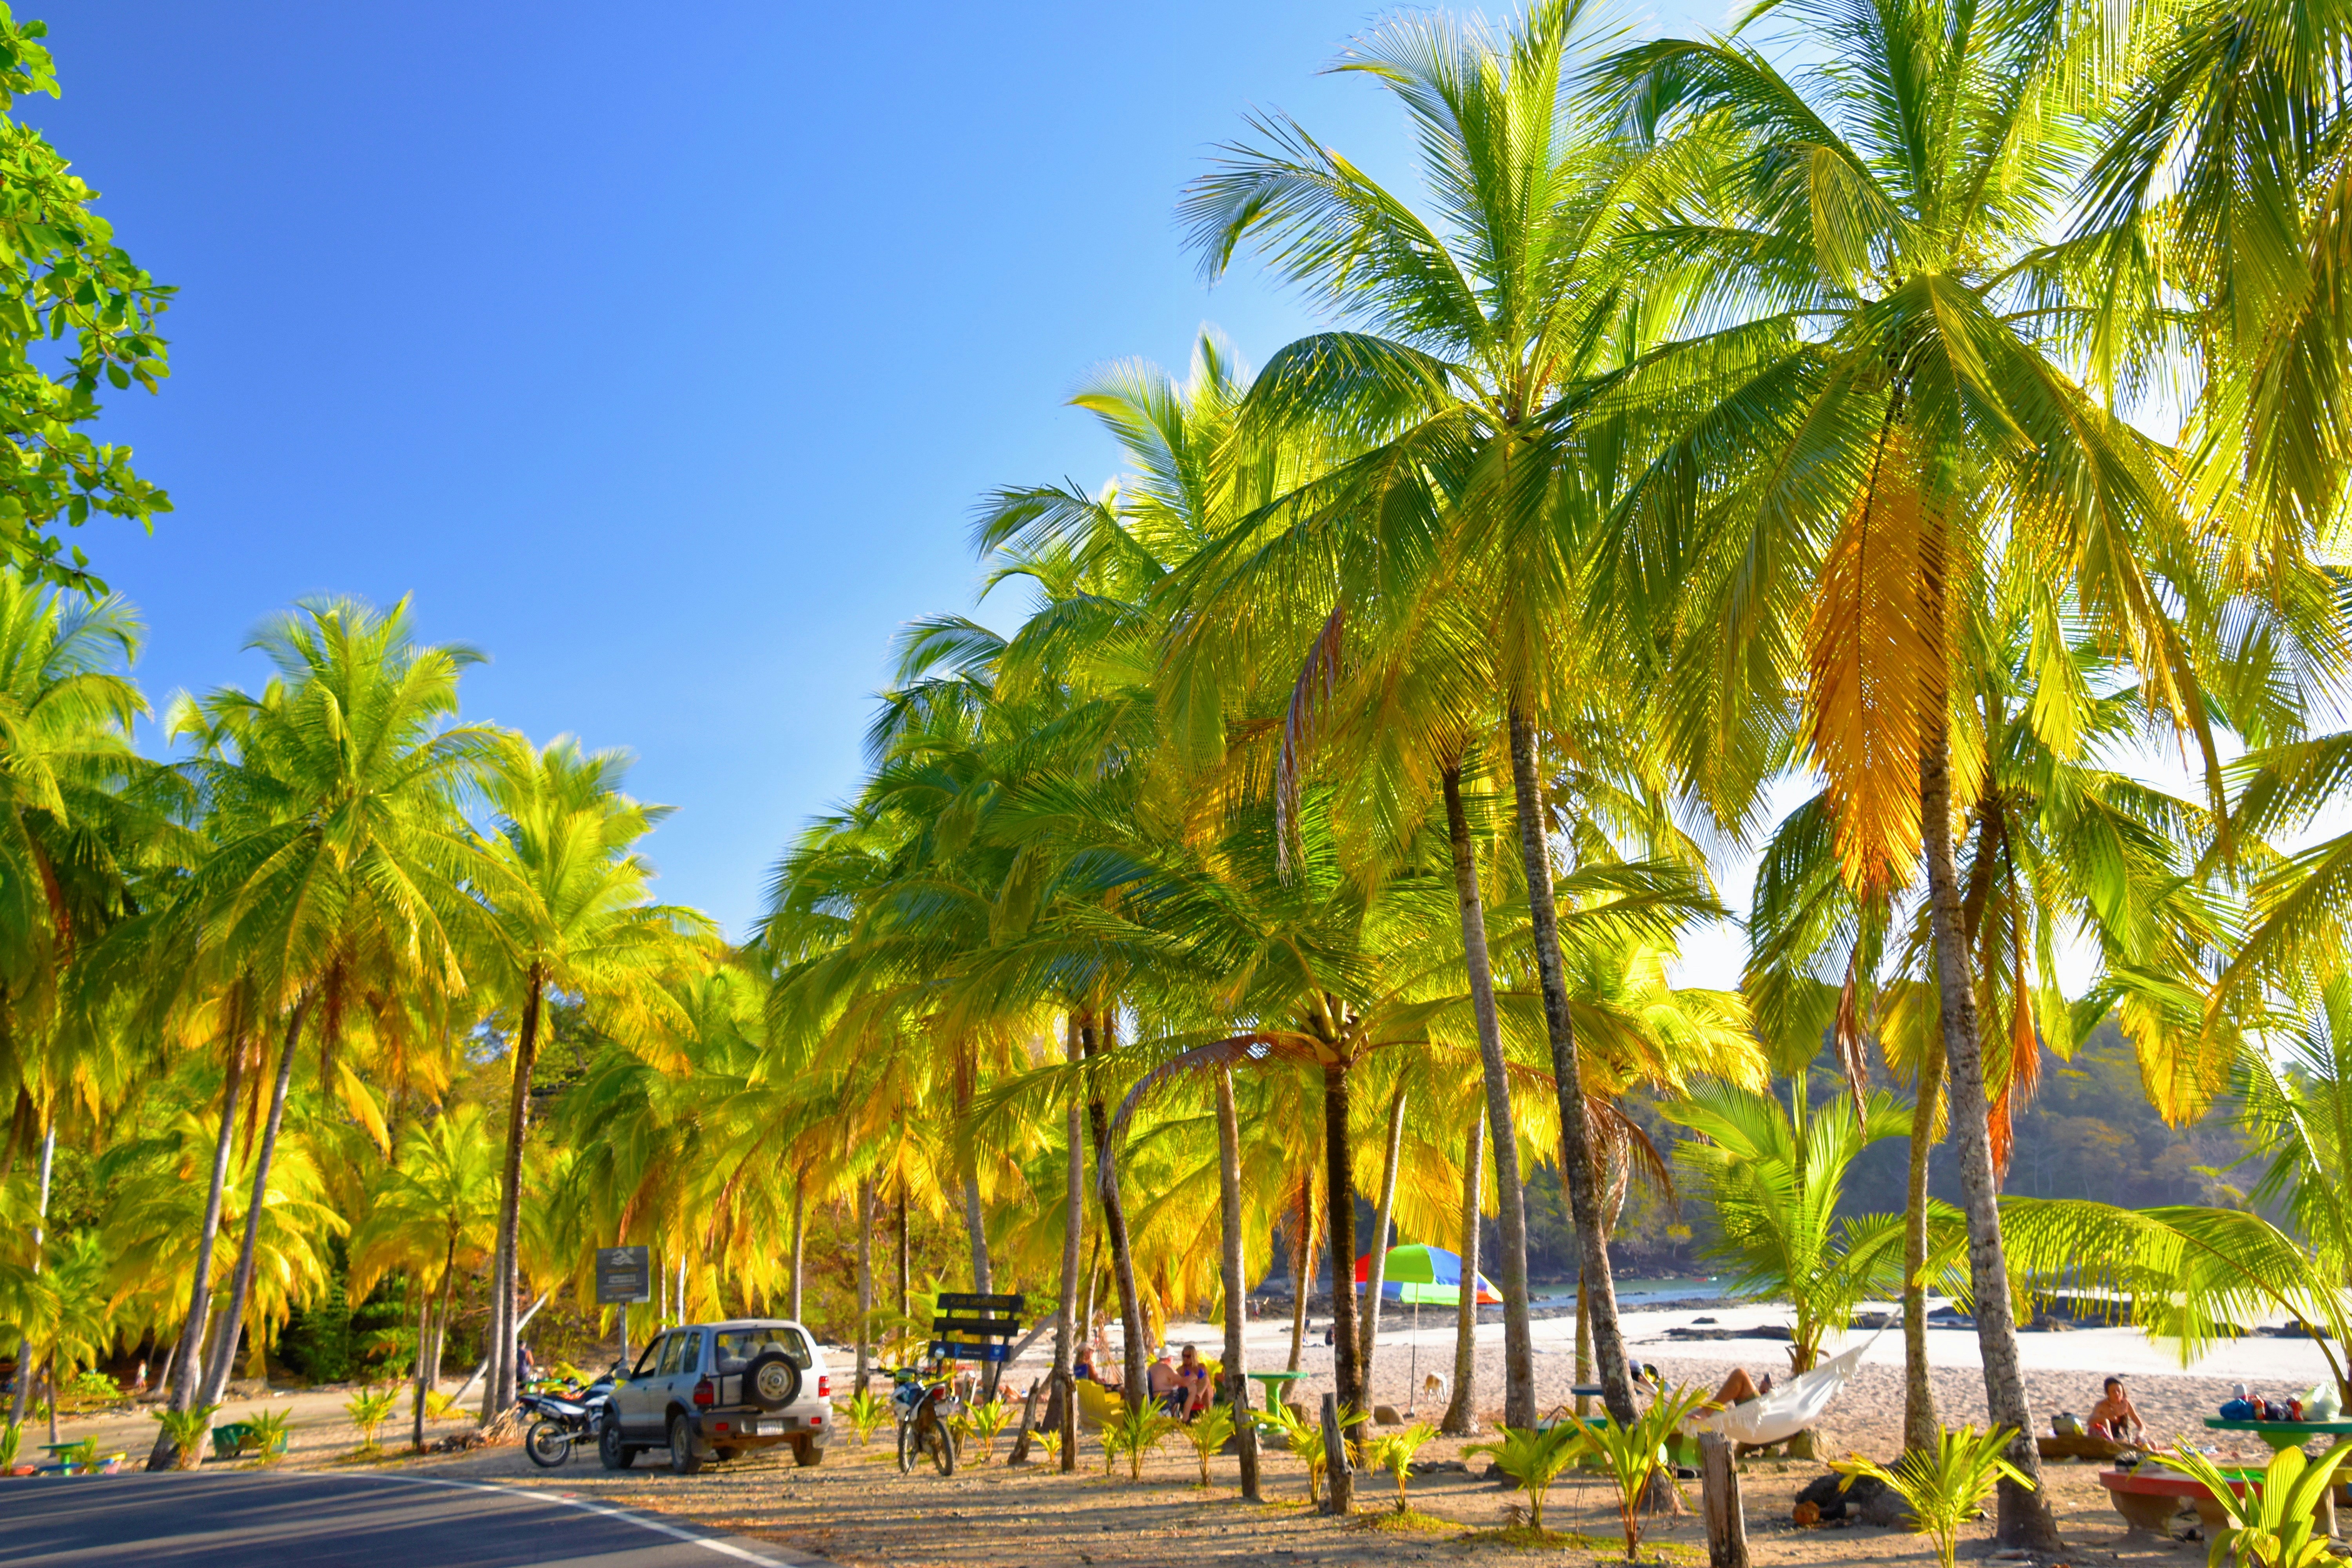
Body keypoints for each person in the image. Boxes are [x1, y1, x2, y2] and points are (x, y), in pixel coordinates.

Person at [2089, 1376, 2145, 1443]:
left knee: (2152, 1444)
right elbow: (2090, 1422)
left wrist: (2140, 1435)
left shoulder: (2126, 1405)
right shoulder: (2101, 1406)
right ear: (2108, 1394)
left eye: (2119, 1391)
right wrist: (2110, 1416)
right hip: (2104, 1440)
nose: (2117, 1394)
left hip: (2119, 1439)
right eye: (2114, 1392)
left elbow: (2141, 1426)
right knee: (2106, 1420)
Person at [1174, 1344, 1211, 1418]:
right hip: (1190, 1397)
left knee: (1206, 1381)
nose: (1185, 1358)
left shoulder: (1202, 1367)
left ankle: (1209, 1415)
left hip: (1202, 1397)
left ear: (1194, 1356)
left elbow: (1209, 1386)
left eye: (1188, 1356)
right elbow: (1177, 1385)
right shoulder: (1181, 1370)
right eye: (1184, 1356)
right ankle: (1210, 1415)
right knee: (1204, 1380)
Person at [1147, 1349, 1184, 1416]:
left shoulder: (1151, 1367)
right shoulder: (1167, 1368)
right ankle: (1183, 1419)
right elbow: (1182, 1382)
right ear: (1170, 1358)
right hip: (1164, 1400)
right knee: (1185, 1392)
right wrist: (1193, 1377)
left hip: (1153, 1400)